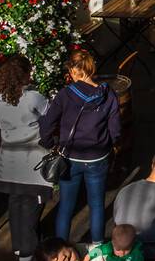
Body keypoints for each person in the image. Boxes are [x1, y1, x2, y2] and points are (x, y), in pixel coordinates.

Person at [39, 49, 121, 244]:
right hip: (98, 158)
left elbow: (47, 125)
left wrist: (52, 144)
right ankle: (97, 248)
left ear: (74, 72)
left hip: (70, 157)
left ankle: (60, 249)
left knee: (66, 206)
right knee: (97, 205)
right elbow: (115, 130)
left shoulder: (65, 94)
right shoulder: (108, 94)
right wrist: (108, 145)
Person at [0, 55, 50, 261]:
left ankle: (17, 246)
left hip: (8, 156)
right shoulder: (33, 97)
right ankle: (29, 249)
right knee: (32, 203)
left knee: (15, 201)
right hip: (32, 157)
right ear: (23, 74)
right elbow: (49, 117)